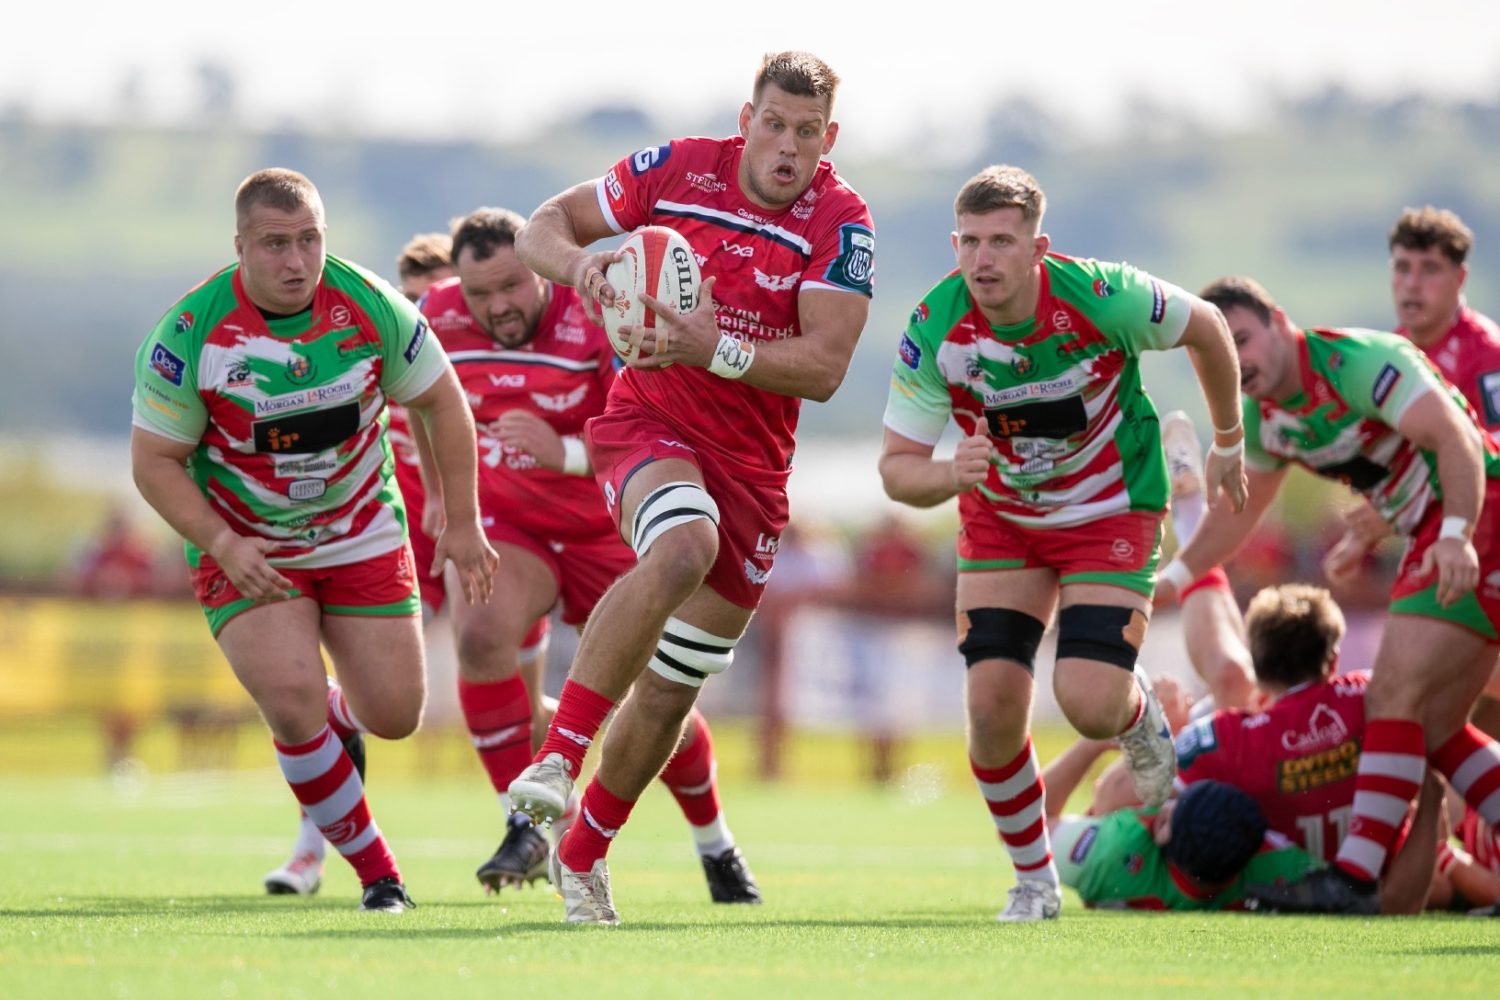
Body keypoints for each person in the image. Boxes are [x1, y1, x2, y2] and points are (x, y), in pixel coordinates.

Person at [505, 51, 875, 925]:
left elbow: (823, 368)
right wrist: (583, 269)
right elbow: (542, 226)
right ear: (746, 120)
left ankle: (585, 855)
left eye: (807, 133)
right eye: (774, 125)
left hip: (754, 470)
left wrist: (716, 348)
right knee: (682, 545)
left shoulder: (842, 219)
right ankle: (559, 758)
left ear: (830, 139)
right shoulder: (676, 170)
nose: (787, 147)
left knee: (673, 690)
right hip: (650, 425)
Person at [876, 164, 1248, 922]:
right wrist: (952, 471)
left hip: (1111, 506)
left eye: (1002, 242)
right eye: (971, 242)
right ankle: (1034, 881)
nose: (984, 259)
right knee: (990, 707)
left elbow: (1208, 327)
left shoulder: (1101, 295)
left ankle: (1138, 716)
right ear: (954, 245)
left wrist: (1231, 438)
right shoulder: (934, 327)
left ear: (1038, 248)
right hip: (1003, 518)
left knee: (1086, 701)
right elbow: (896, 472)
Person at [130, 168, 497, 913]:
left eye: (309, 240)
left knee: (394, 716)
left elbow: (442, 400)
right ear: (240, 248)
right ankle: (379, 875)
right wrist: (222, 543)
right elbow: (153, 464)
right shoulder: (190, 333)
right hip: (248, 546)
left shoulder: (366, 304)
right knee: (291, 699)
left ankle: (330, 715)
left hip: (361, 531)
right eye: (275, 245)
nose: (296, 261)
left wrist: (462, 521)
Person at [417, 206, 760, 903]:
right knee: (479, 634)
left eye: (512, 286)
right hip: (515, 527)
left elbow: (644, 421)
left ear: (538, 271)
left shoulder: (600, 301)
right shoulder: (439, 316)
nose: (498, 306)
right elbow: (422, 402)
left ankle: (714, 843)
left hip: (608, 524)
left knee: (659, 702)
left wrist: (564, 451)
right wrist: (441, 499)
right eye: (480, 294)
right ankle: (526, 827)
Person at [1164, 275, 1500, 914]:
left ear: (1280, 321)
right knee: (1434, 724)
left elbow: (1459, 440)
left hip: (1479, 513)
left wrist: (1455, 533)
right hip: (1449, 527)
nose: (1236, 367)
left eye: (1242, 344)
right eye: (1219, 359)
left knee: (1395, 697)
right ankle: (1357, 878)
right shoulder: (1264, 421)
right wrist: (1171, 582)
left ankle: (1353, 880)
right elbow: (1235, 520)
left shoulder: (1358, 364)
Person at [262, 230, 467, 896]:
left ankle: (542, 814)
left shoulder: (479, 359)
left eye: (435, 300)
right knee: (341, 700)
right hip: (382, 537)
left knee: (456, 696)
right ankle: (310, 848)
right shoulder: (370, 349)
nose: (422, 313)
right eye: (413, 299)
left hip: (473, 540)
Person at [1049, 779, 1312, 911]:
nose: (1166, 803)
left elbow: (1024, 827)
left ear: (1161, 833)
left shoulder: (1112, 853)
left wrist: (1092, 745)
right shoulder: (1286, 868)